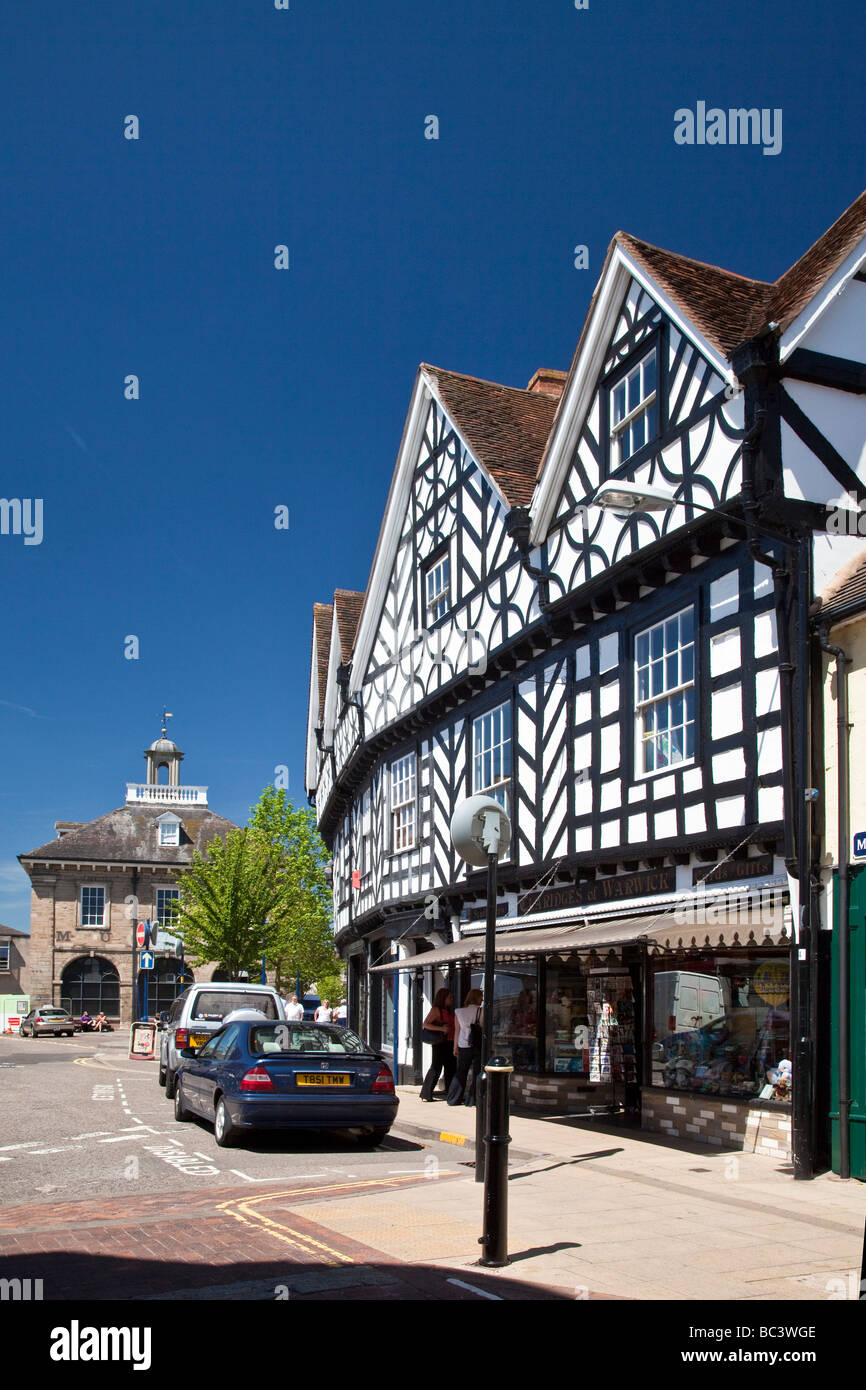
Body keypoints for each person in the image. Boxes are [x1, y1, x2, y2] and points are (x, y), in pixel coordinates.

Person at [448, 988, 483, 1106]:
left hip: (463, 1044)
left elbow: (457, 1030)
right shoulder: (481, 1011)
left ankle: (453, 1099)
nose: (482, 999)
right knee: (477, 1073)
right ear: (476, 998)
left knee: (461, 1072)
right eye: (481, 996)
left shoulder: (458, 1012)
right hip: (478, 1045)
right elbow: (484, 1029)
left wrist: (455, 1047)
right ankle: (473, 1100)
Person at [420, 988, 455, 1101]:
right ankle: (426, 1093)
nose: (451, 999)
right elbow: (425, 1024)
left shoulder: (449, 1010)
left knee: (450, 1068)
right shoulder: (436, 1010)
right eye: (449, 997)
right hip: (440, 1042)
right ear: (443, 998)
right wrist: (441, 1028)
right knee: (436, 1067)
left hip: (450, 1042)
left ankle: (450, 1093)